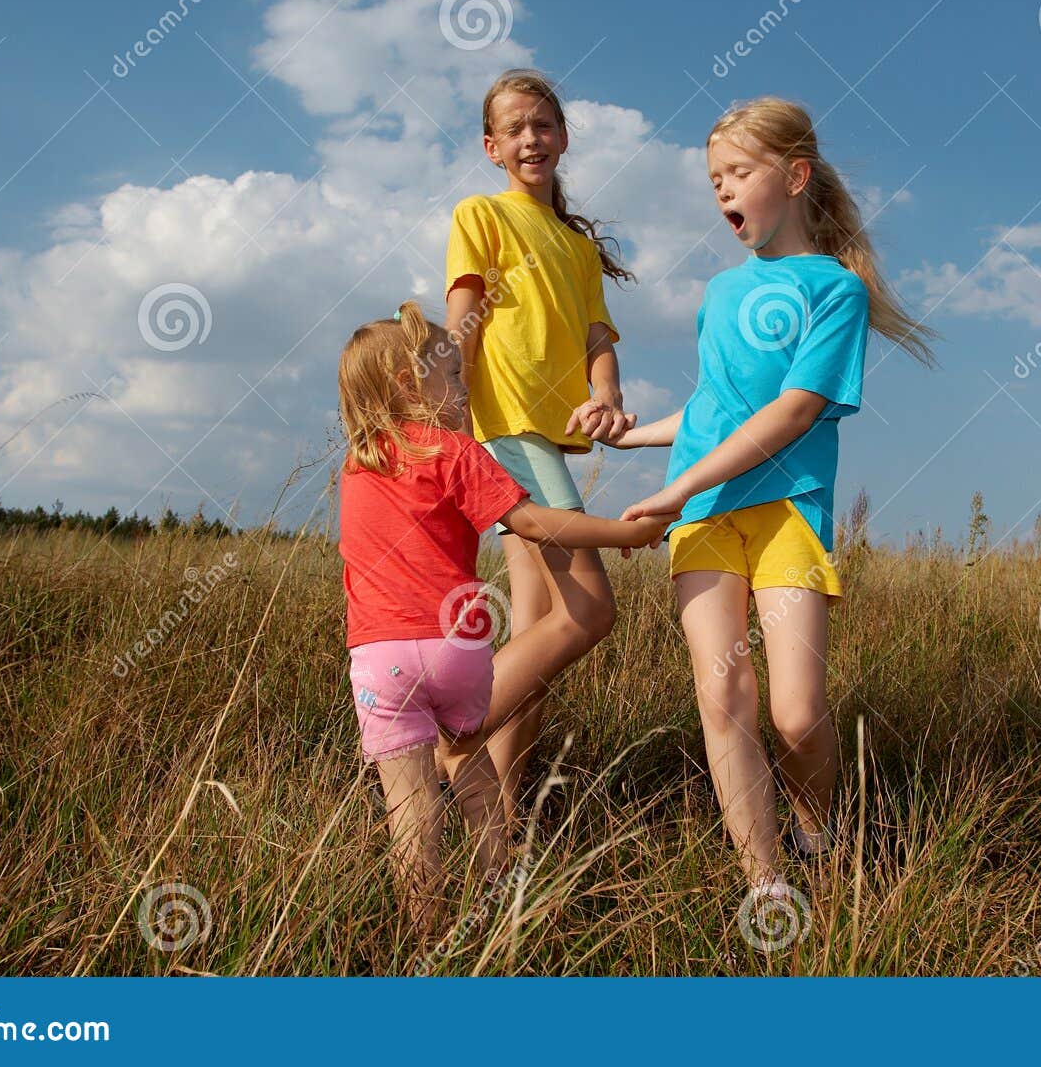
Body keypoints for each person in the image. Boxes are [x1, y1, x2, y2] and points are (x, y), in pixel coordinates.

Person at [614, 98, 936, 901]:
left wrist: (682, 480)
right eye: (714, 178)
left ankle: (817, 830)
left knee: (795, 713)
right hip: (702, 516)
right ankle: (767, 881)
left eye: (740, 173)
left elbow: (792, 410)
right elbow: (711, 409)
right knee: (724, 693)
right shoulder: (720, 294)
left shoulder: (837, 292)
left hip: (790, 508)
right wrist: (629, 437)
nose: (723, 191)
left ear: (794, 177)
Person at [338, 302, 672, 930]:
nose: (465, 391)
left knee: (411, 812)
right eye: (454, 379)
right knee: (473, 766)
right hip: (454, 651)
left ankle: (425, 935)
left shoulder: (358, 465)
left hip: (379, 658)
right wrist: (625, 536)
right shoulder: (454, 452)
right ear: (413, 386)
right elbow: (530, 523)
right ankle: (498, 897)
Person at [444, 68, 639, 820]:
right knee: (590, 611)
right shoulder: (480, 214)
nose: (532, 138)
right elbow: (463, 312)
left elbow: (597, 336)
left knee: (538, 637)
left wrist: (607, 392)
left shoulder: (576, 248)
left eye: (544, 124)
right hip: (505, 431)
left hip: (550, 441)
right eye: (515, 128)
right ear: (492, 147)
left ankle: (497, 818)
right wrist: (449, 411)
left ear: (562, 136)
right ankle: (446, 742)